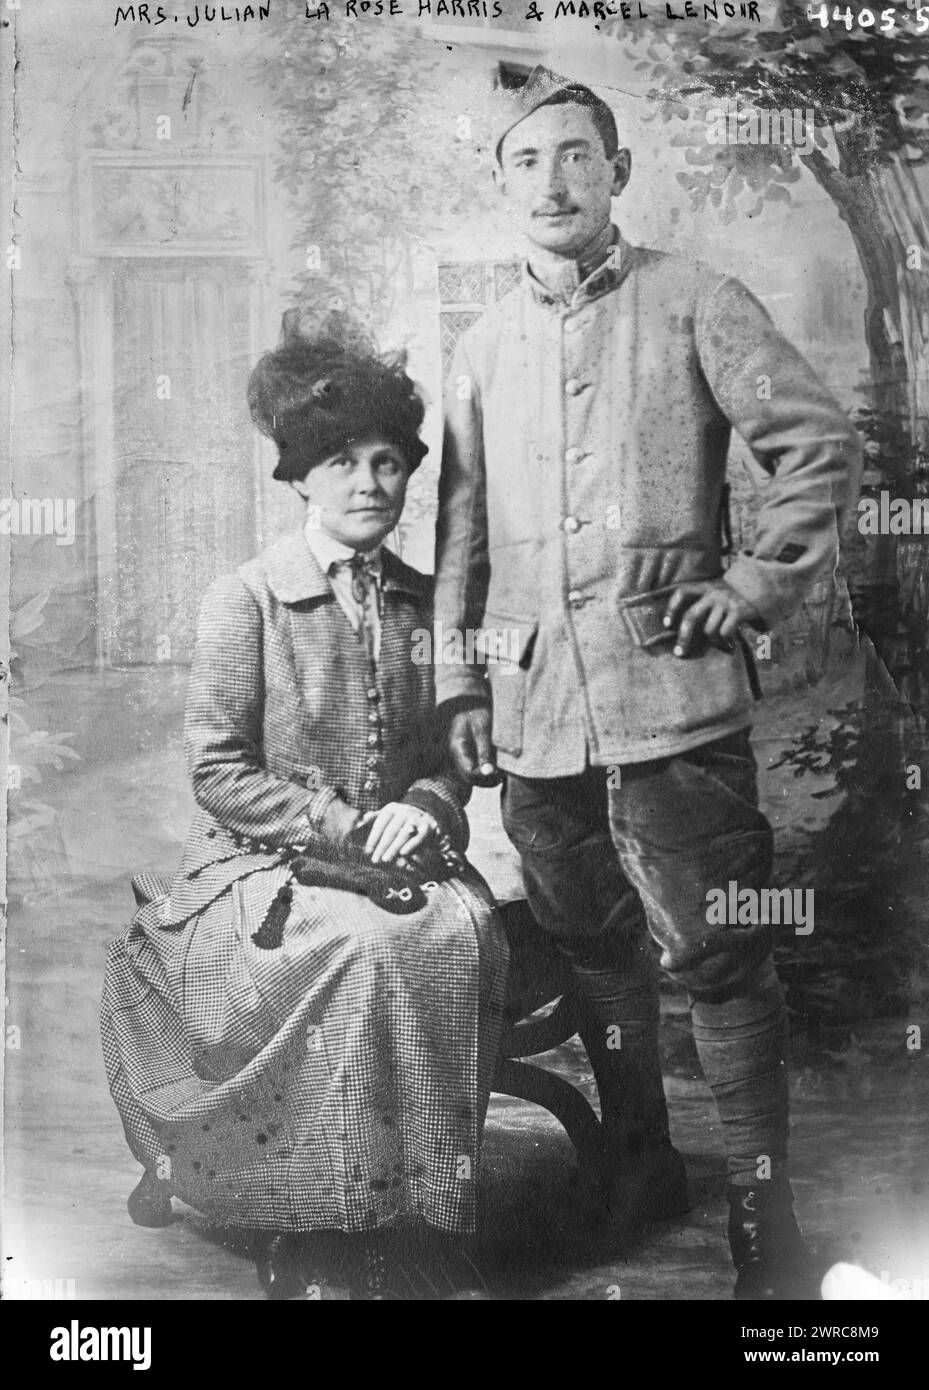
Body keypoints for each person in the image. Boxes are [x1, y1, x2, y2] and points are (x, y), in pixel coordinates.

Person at [434, 65, 863, 1300]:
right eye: (525, 160)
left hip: (671, 708)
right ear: (500, 183)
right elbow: (458, 531)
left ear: (616, 174)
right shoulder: (477, 344)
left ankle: (760, 1221)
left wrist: (752, 583)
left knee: (722, 958)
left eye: (576, 155)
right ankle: (637, 1166)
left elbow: (813, 446)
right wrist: (463, 689)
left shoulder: (694, 301)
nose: (552, 180)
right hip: (533, 725)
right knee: (594, 960)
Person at [101, 310, 508, 1301]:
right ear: (297, 479)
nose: (368, 485)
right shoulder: (245, 598)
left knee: (459, 937)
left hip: (403, 858)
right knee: (359, 951)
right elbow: (219, 769)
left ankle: (409, 1209)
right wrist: (345, 826)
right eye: (340, 464)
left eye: (386, 463)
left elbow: (448, 757)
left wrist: (427, 805)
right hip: (269, 864)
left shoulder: (424, 606)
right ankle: (315, 1217)